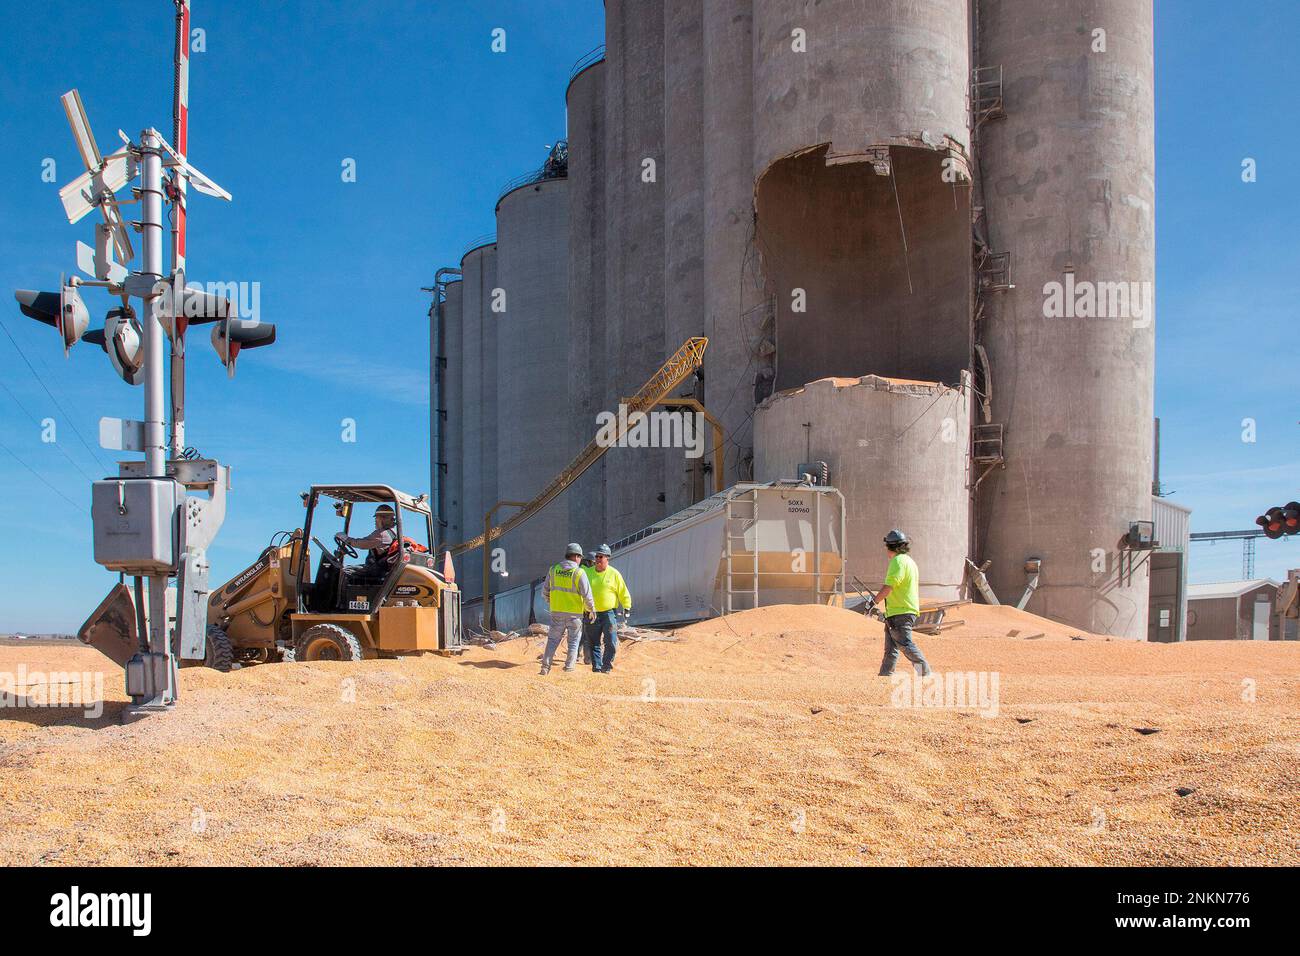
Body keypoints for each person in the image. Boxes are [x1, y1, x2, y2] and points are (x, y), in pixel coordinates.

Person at [875, 529, 932, 677]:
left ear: (890, 546)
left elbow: (890, 586)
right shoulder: (910, 561)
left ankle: (925, 673)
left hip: (900, 611)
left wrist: (873, 601)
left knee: (905, 644)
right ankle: (885, 676)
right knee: (891, 647)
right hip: (897, 611)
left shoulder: (897, 561)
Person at [540, 543, 595, 675]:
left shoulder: (553, 570)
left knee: (552, 640)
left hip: (557, 612)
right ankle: (569, 668)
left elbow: (544, 592)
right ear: (576, 556)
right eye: (580, 557)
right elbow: (587, 595)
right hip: (575, 614)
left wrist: (552, 602)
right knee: (574, 642)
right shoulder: (579, 572)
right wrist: (591, 610)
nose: (580, 560)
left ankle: (545, 668)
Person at [583, 544, 632, 673]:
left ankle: (607, 667)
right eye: (596, 556)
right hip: (591, 613)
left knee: (611, 640)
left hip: (609, 613)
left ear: (607, 558)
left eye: (601, 557)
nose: (598, 559)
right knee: (593, 642)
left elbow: (623, 591)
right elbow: (579, 590)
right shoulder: (587, 573)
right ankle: (597, 668)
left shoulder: (614, 574)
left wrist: (627, 607)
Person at [338, 504, 398, 583]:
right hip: (380, 569)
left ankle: (341, 595)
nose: (375, 521)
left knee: (345, 571)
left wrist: (346, 539)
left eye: (376, 518)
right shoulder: (393, 533)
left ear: (383, 519)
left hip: (376, 570)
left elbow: (362, 543)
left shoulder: (381, 534)